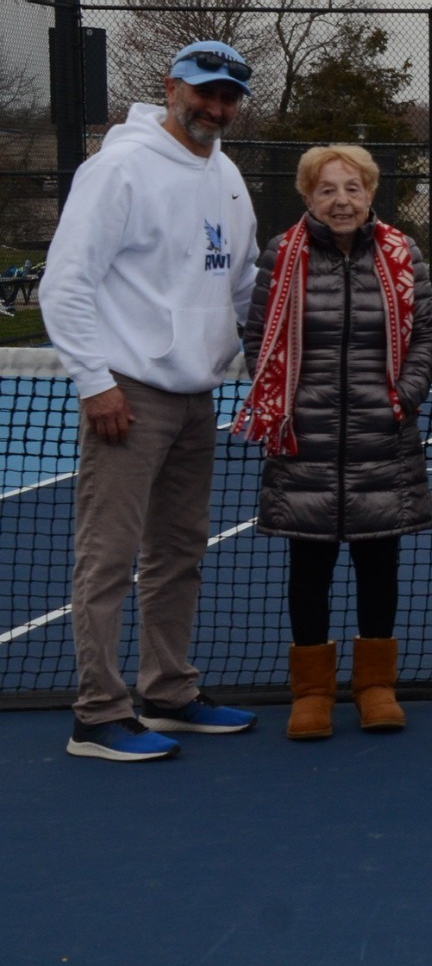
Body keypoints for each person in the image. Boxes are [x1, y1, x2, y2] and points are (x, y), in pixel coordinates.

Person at [41, 40, 261, 761]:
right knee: (107, 558)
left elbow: (241, 279)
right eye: (204, 92)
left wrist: (251, 350)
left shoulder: (226, 175)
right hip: (127, 397)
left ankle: (168, 692)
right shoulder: (119, 168)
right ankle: (98, 712)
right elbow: (66, 282)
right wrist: (94, 381)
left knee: (178, 553)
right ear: (172, 87)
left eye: (228, 96)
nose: (215, 106)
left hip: (197, 398)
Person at [236, 145, 432, 740]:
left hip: (384, 436)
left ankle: (376, 687)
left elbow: (427, 334)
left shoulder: (403, 253)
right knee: (310, 567)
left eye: (352, 188)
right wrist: (286, 401)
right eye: (326, 190)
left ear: (370, 193)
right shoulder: (283, 254)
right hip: (306, 438)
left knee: (380, 563)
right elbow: (259, 337)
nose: (341, 200)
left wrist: (402, 397)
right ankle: (312, 692)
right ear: (307, 197)